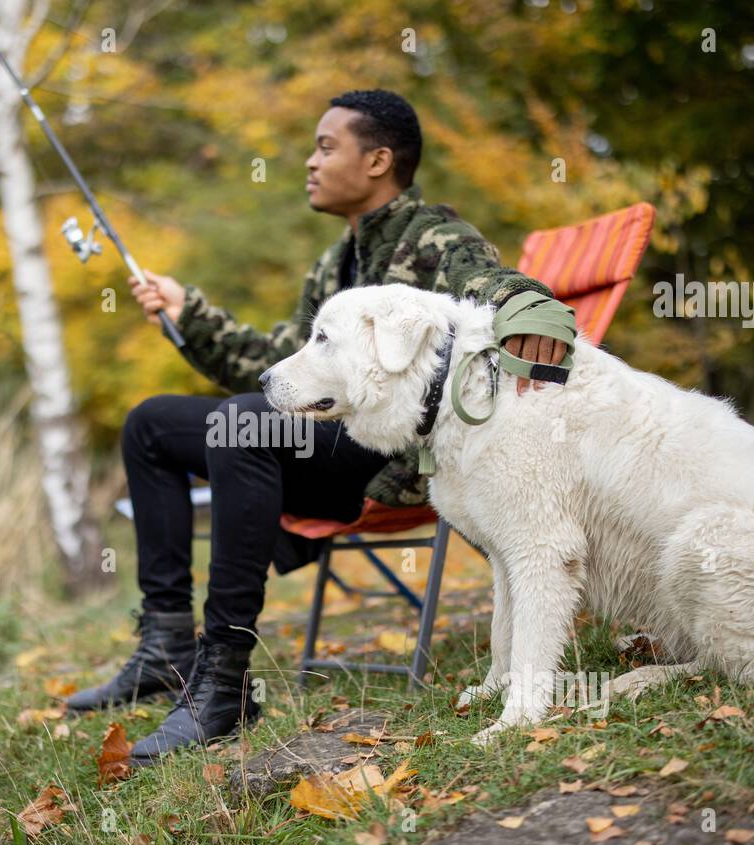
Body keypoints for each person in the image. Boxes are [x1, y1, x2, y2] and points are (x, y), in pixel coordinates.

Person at [66, 89, 568, 766]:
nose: (309, 161)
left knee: (243, 424)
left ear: (378, 160)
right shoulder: (336, 264)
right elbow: (277, 370)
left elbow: (497, 285)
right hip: (328, 448)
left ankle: (223, 683)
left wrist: (537, 311)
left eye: (326, 147)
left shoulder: (436, 236)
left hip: (394, 464)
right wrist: (189, 311)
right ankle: (165, 648)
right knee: (152, 422)